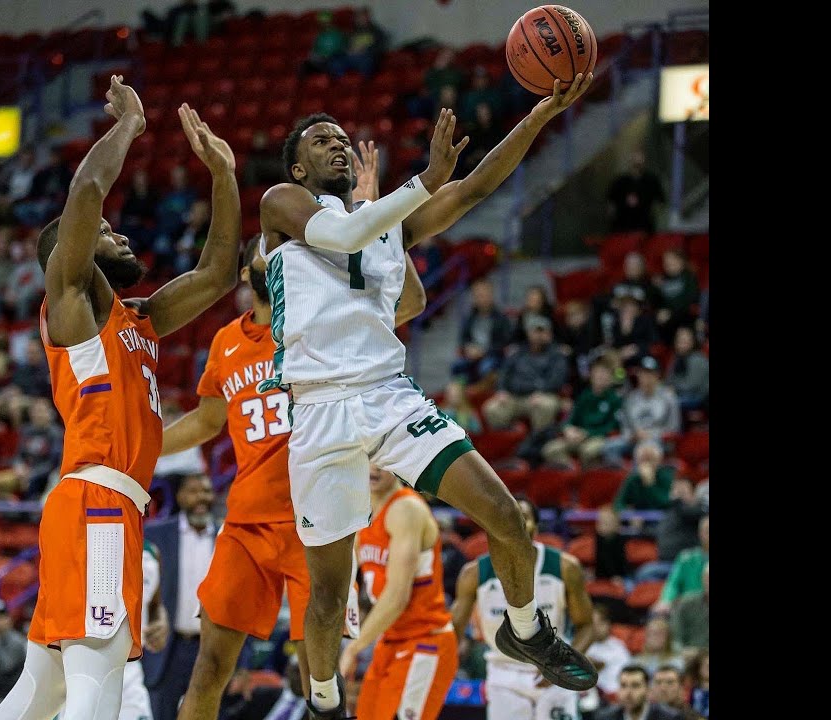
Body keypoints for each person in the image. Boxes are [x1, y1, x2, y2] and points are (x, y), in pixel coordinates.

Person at [254, 73, 597, 718]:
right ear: (299, 165)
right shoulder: (282, 205)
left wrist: (541, 114)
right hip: (319, 410)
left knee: (504, 515)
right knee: (328, 595)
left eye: (342, 138)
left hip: (389, 397)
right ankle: (325, 703)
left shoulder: (386, 224)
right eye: (321, 140)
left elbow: (476, 188)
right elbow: (340, 238)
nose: (336, 144)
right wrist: (417, 184)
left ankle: (523, 628)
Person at [0, 79, 241, 720]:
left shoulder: (140, 320)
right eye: (103, 233)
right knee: (98, 686)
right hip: (98, 504)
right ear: (72, 255)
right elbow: (86, 191)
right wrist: (128, 124)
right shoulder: (72, 306)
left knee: (41, 692)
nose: (120, 236)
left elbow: (216, 275)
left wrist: (223, 177)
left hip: (102, 507)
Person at [155, 145, 425, 720]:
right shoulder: (226, 341)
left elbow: (410, 301)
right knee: (210, 669)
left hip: (317, 518)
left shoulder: (322, 317)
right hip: (248, 521)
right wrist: (138, 448)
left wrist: (373, 213)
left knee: (318, 674)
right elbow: (207, 421)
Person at [450, 494, 595, 720]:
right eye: (508, 517)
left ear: (536, 527)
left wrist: (563, 666)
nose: (514, 523)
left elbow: (586, 626)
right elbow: (454, 632)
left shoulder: (564, 567)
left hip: (552, 670)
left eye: (523, 517)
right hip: (503, 674)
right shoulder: (474, 573)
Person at [339, 465, 460, 720]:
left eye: (383, 461)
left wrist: (353, 648)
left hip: (425, 639)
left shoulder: (406, 509)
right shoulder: (363, 511)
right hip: (390, 641)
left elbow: (397, 597)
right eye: (368, 458)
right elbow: (346, 581)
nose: (373, 468)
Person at [142, 473, 219, 720]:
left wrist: (242, 663)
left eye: (206, 491)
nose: (201, 498)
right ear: (179, 497)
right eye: (194, 491)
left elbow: (241, 602)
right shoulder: (156, 535)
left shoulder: (226, 537)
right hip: (168, 648)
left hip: (212, 647)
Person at [120, 540, 171, 720]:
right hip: (85, 668)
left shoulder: (150, 552)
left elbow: (154, 606)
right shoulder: (81, 545)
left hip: (129, 671)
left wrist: (160, 621)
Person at [605, 151, 665, 234]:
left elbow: (660, 203)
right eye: (635, 164)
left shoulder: (652, 181)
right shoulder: (619, 182)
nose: (637, 167)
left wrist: (654, 214)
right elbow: (611, 205)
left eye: (638, 164)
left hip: (644, 228)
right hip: (622, 229)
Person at [592, 665, 681, 720]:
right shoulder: (605, 717)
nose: (628, 692)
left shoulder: (669, 717)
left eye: (635, 686)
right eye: (623, 686)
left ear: (648, 689)